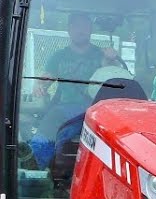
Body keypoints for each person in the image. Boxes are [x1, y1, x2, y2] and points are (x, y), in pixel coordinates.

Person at [29, 12, 121, 165]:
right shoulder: (59, 56)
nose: (81, 30)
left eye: (85, 26)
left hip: (99, 111)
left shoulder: (102, 55)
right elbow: (45, 79)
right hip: (66, 111)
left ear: (91, 29)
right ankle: (38, 169)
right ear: (69, 29)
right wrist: (39, 86)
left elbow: (116, 79)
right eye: (76, 26)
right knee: (44, 138)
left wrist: (111, 60)